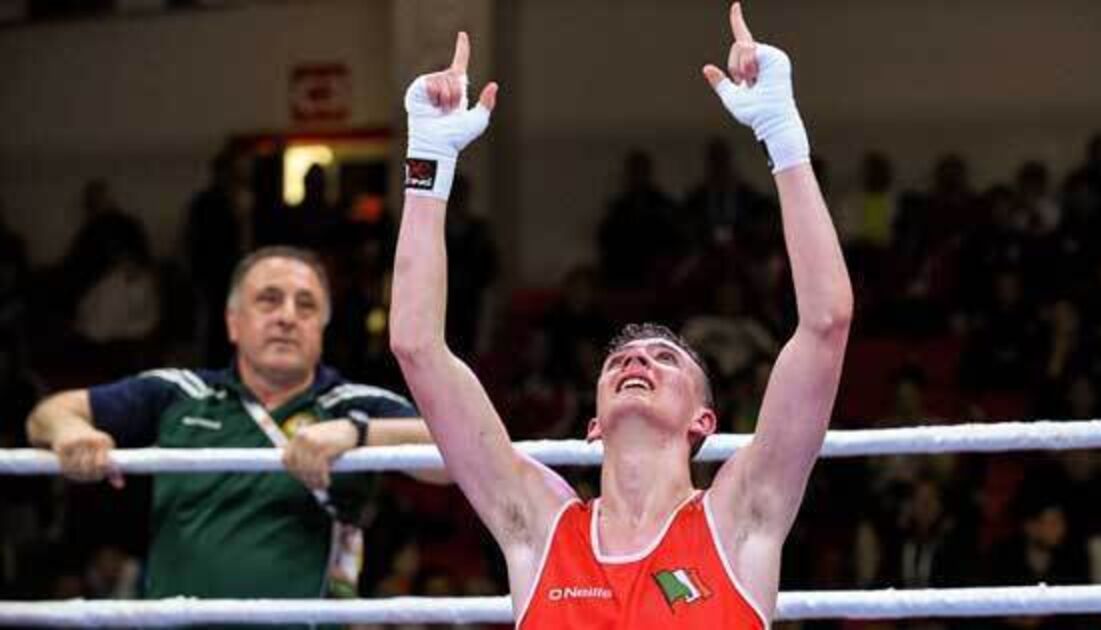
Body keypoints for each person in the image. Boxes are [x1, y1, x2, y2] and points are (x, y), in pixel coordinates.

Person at [390, 5, 852, 627]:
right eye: (620, 361)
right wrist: (428, 165)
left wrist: (781, 129)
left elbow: (825, 324)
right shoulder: (538, 526)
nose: (637, 359)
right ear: (593, 426)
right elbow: (417, 347)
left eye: (666, 359)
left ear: (703, 421)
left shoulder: (740, 517)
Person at [27, 246, 441, 619]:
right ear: (232, 323)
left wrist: (359, 431)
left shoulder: (352, 403)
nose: (287, 316)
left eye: (307, 305)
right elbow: (48, 413)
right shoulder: (179, 392)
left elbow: (458, 459)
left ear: (322, 329)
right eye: (268, 299)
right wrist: (70, 433)